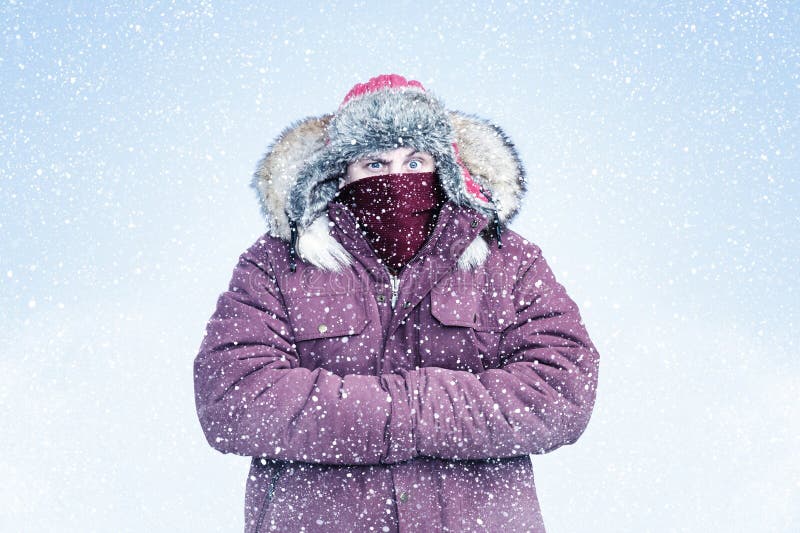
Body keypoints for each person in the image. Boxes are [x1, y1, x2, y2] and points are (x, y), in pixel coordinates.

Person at [194, 74, 600, 533]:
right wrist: (418, 414)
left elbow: (564, 388)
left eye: (415, 161)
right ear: (339, 170)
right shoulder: (275, 263)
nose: (396, 179)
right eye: (374, 163)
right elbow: (231, 400)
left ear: (445, 166)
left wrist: (406, 409)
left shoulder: (508, 261)